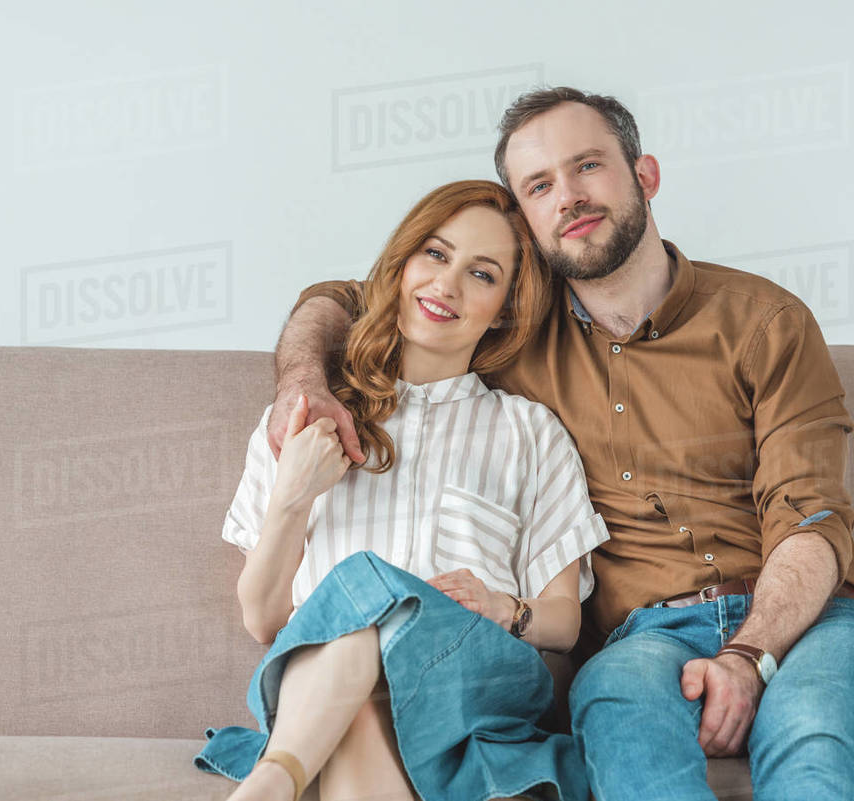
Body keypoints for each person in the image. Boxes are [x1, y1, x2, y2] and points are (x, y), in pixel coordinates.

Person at [275, 88, 854, 801]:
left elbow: (810, 516)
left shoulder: (765, 322)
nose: (568, 197)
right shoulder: (508, 335)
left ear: (645, 176)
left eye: (588, 167)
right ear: (528, 222)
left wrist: (749, 654)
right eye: (540, 185)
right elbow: (344, 297)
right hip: (641, 644)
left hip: (814, 625)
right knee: (627, 743)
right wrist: (301, 379)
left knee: (811, 744)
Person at [194, 180, 610, 801]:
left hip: (471, 686)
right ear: (405, 260)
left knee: (374, 589)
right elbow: (263, 618)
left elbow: (564, 624)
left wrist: (504, 607)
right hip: (329, 686)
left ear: (504, 308)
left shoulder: (529, 432)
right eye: (436, 255)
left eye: (482, 274)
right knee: (358, 665)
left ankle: (271, 781)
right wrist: (294, 495)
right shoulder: (307, 420)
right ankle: (276, 780)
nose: (446, 286)